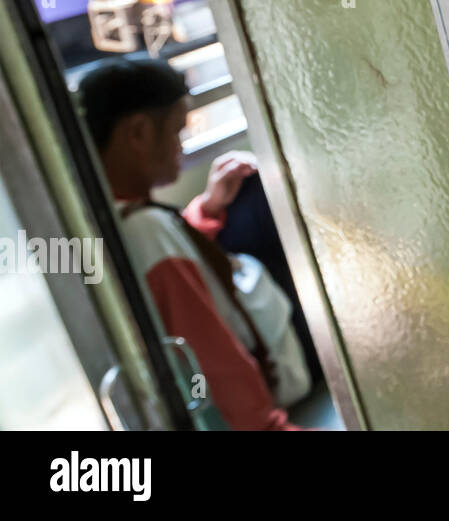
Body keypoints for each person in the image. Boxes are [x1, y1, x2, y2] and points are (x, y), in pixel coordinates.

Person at [77, 56, 301, 431]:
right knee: (260, 196)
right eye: (177, 133)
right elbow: (217, 367)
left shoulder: (118, 216)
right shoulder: (146, 231)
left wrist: (208, 211)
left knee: (243, 196)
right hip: (276, 361)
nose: (181, 148)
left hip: (255, 323)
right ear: (139, 133)